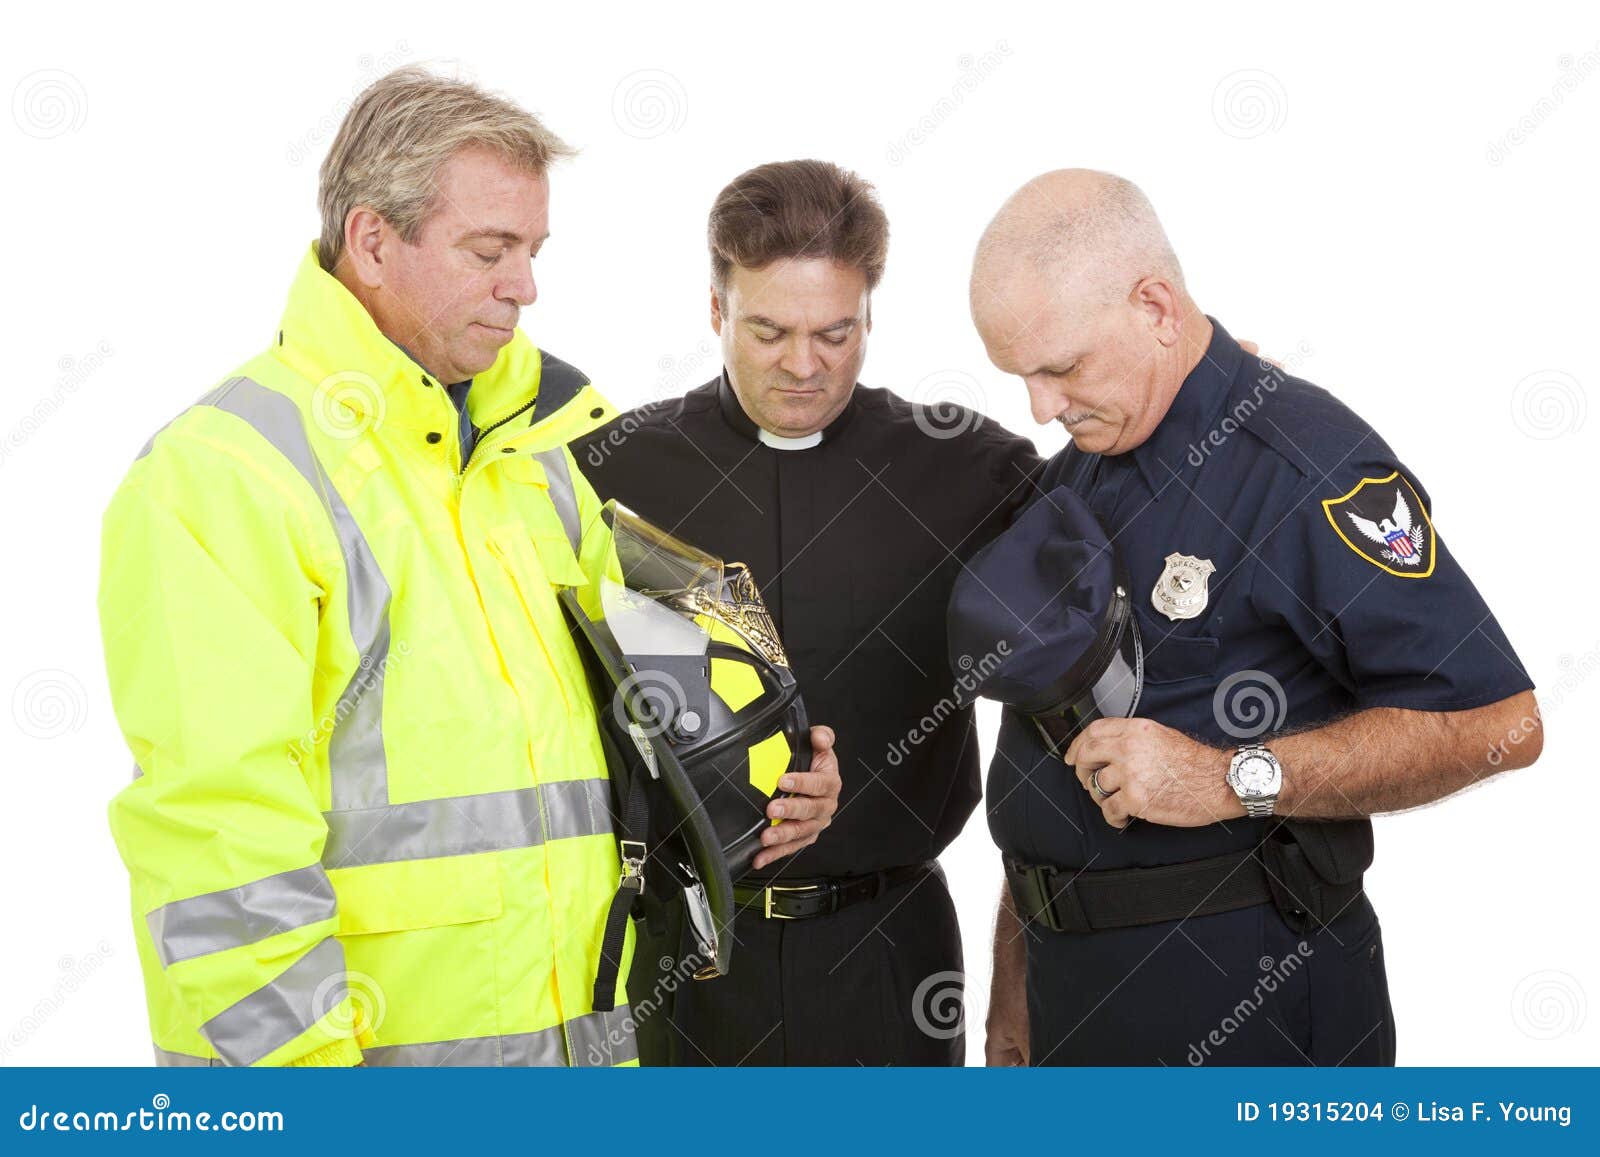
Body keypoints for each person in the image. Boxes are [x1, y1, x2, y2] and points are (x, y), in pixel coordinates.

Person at [97, 67, 838, 1068]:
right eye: (489, 251)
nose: (524, 286)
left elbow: (652, 701)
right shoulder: (226, 475)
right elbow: (218, 847)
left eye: (532, 252)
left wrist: (768, 778)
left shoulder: (541, 456)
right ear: (372, 242)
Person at [969, 169, 1543, 1066]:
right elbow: (1037, 753)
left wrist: (1226, 777)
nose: (1041, 408)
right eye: (1021, 377)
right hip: (1067, 1001)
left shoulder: (1304, 466)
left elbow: (1499, 721)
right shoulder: (1081, 463)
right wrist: (1014, 997)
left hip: (1251, 1005)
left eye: (1061, 367)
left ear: (1156, 308)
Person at [574, 160, 1042, 1065]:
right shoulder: (611, 471)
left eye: (835, 332)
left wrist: (1196, 408)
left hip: (892, 961)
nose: (803, 364)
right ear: (716, 310)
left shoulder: (965, 469)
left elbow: (1125, 531)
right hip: (679, 961)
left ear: (870, 316)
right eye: (768, 330)